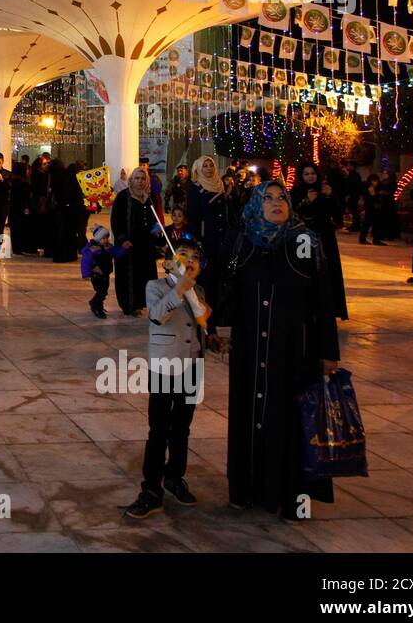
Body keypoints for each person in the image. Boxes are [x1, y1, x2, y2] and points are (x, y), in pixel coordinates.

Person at [210, 182, 340, 517]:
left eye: (281, 197)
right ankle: (246, 490)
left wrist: (328, 351)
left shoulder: (304, 242)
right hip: (250, 348)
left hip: (293, 350)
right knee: (248, 417)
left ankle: (289, 496)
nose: (275, 203)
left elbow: (323, 301)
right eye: (267, 198)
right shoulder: (242, 240)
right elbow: (221, 289)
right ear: (256, 204)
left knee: (290, 420)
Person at [124, 237, 210, 519]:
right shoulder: (155, 287)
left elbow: (202, 320)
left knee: (182, 427)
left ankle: (175, 477)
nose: (189, 259)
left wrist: (211, 336)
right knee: (158, 428)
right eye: (183, 254)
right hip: (164, 366)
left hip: (191, 365)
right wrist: (180, 289)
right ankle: (151, 489)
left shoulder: (199, 290)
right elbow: (158, 316)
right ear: (170, 262)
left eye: (194, 256)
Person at [290, 163, 348, 320]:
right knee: (306, 270)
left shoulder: (325, 191)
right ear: (301, 176)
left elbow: (338, 213)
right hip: (304, 236)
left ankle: (328, 308)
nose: (310, 176)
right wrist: (307, 201)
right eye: (306, 174)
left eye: (313, 173)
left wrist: (329, 196)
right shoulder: (296, 192)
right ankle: (306, 307)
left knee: (327, 270)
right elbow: (292, 213)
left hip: (325, 236)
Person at [110, 168, 160, 316]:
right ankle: (130, 305)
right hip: (129, 246)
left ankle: (142, 303)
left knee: (145, 275)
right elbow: (116, 220)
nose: (140, 182)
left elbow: (154, 219)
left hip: (146, 245)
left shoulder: (149, 197)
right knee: (129, 276)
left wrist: (156, 231)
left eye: (143, 179)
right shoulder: (123, 197)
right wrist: (122, 239)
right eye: (137, 178)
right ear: (131, 180)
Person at [186, 156, 230, 296]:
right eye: (205, 166)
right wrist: (197, 240)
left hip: (221, 237)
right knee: (206, 275)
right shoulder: (195, 188)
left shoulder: (220, 185)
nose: (209, 169)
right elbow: (193, 216)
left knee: (220, 272)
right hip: (206, 238)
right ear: (198, 168)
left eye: (211, 165)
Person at [80, 226, 118, 318]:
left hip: (105, 274)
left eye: (106, 238)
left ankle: (95, 303)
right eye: (103, 238)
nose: (105, 240)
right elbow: (86, 261)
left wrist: (124, 249)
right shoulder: (93, 249)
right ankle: (97, 307)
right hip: (96, 275)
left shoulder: (108, 247)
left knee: (104, 291)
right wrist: (86, 274)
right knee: (101, 291)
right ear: (98, 238)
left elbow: (117, 252)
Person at [7, 161, 33, 255]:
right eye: (26, 169)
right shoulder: (20, 182)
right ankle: (19, 248)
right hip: (19, 209)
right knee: (19, 228)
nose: (28, 171)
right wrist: (25, 207)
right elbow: (21, 197)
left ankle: (17, 248)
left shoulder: (15, 180)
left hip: (15, 208)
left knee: (16, 229)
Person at [357, 173, 384, 245]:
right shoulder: (370, 187)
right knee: (374, 223)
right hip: (372, 207)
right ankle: (375, 240)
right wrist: (379, 194)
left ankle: (363, 239)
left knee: (367, 223)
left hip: (369, 207)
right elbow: (373, 196)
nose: (376, 183)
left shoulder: (366, 187)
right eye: (375, 181)